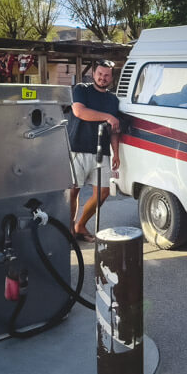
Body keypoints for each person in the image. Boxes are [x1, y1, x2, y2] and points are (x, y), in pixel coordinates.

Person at [67, 59, 122, 242]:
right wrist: (108, 116)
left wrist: (116, 153)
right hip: (77, 148)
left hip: (102, 151)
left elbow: (114, 129)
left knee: (103, 192)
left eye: (106, 75)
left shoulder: (113, 100)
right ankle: (68, 231)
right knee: (73, 191)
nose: (102, 78)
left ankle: (80, 225)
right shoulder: (81, 90)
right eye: (99, 74)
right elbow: (79, 112)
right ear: (93, 74)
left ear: (111, 77)